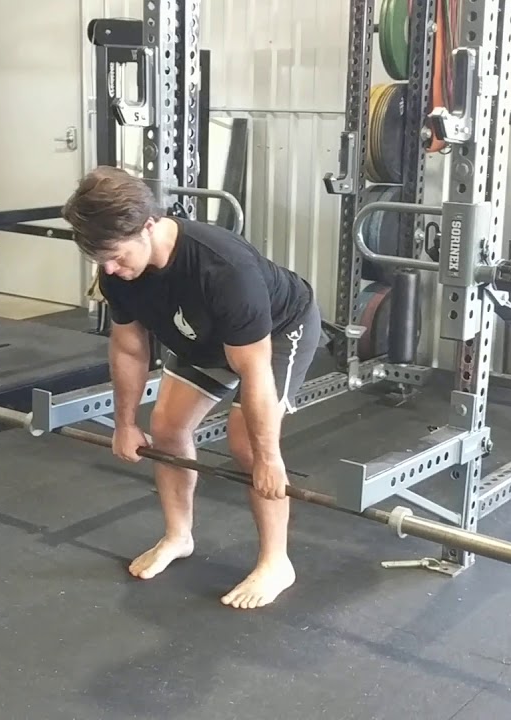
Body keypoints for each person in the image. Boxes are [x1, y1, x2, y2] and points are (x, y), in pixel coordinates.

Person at [61, 166, 321, 610]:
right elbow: (128, 347)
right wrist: (125, 423)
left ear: (148, 226)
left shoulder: (223, 268)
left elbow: (254, 369)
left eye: (117, 256)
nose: (109, 269)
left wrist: (269, 458)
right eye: (101, 260)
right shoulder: (115, 271)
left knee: (246, 442)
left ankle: (276, 562)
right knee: (166, 427)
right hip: (204, 335)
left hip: (277, 333)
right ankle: (178, 536)